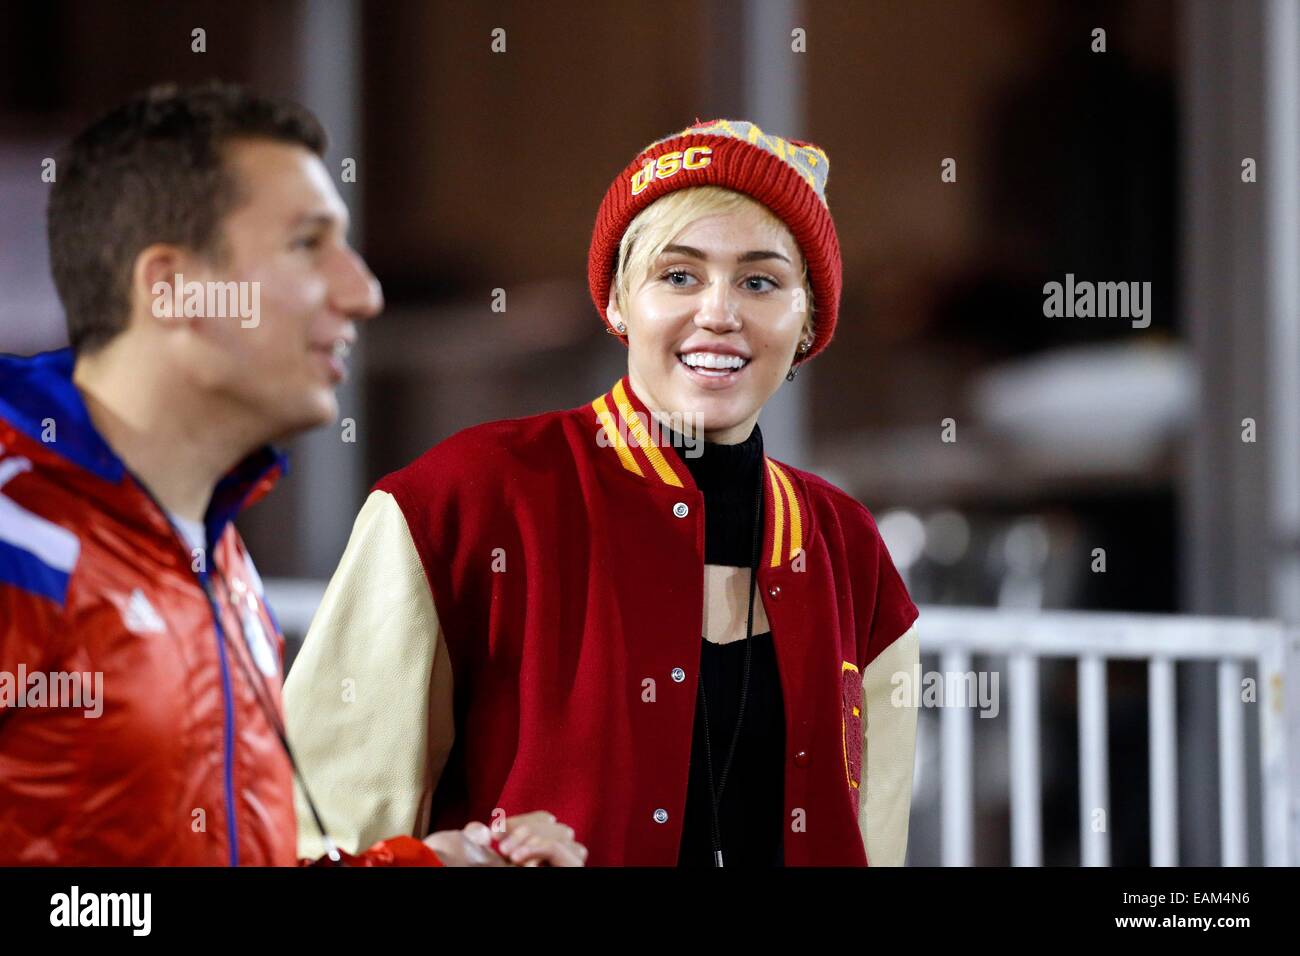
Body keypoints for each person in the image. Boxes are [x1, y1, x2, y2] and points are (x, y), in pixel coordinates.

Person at [284, 119, 920, 866]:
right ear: (618, 301)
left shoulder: (851, 550)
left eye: (760, 281)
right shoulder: (462, 501)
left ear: (806, 318)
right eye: (678, 275)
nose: (719, 312)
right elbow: (311, 832)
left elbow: (874, 845)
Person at [0, 81, 584, 867]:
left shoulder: (210, 551)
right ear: (170, 286)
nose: (363, 292)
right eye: (309, 244)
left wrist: (431, 865)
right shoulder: (19, 539)